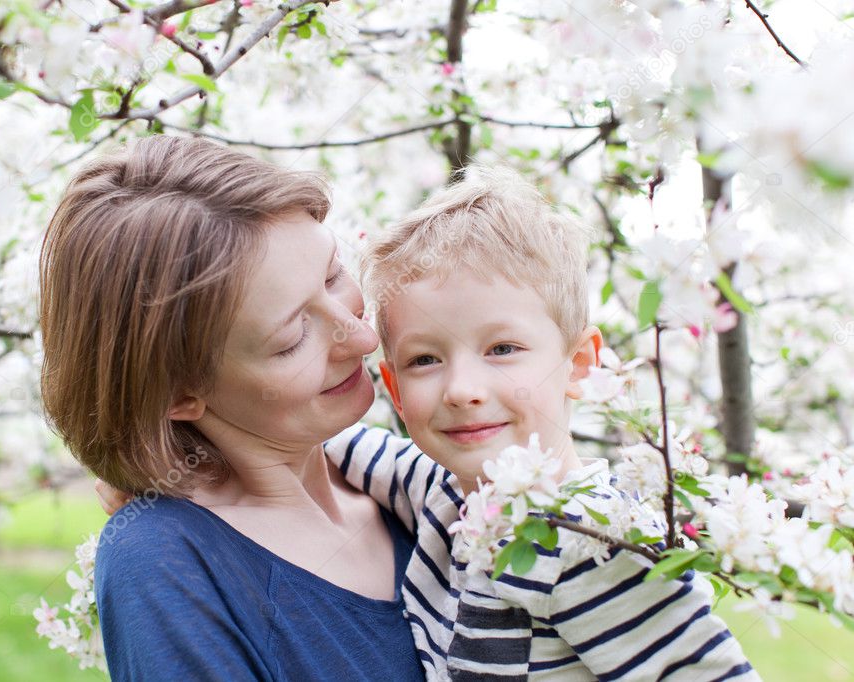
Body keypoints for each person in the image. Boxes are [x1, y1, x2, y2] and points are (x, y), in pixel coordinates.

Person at [319, 165, 759, 680]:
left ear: (578, 364)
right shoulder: (438, 488)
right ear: (394, 390)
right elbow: (344, 443)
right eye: (424, 360)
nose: (462, 390)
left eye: (502, 349)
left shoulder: (589, 546)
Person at [38, 134, 424, 681]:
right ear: (177, 394)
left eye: (334, 274)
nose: (362, 337)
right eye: (292, 338)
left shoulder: (409, 485)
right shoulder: (166, 562)